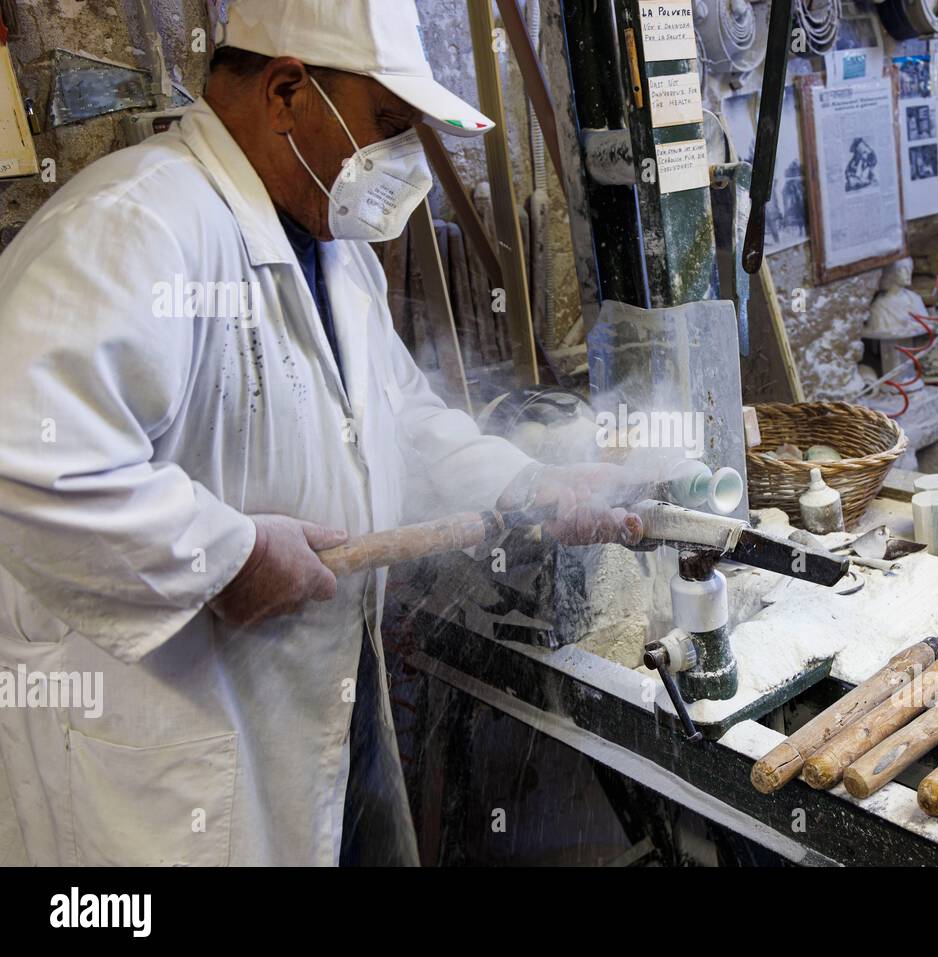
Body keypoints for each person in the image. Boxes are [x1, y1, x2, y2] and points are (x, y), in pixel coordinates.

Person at [0, 0, 640, 866]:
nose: (403, 159)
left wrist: (521, 485)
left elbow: (396, 420)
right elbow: (32, 464)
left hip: (323, 707)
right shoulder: (132, 227)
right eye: (387, 125)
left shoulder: (332, 252)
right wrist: (225, 556)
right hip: (175, 763)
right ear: (286, 93)